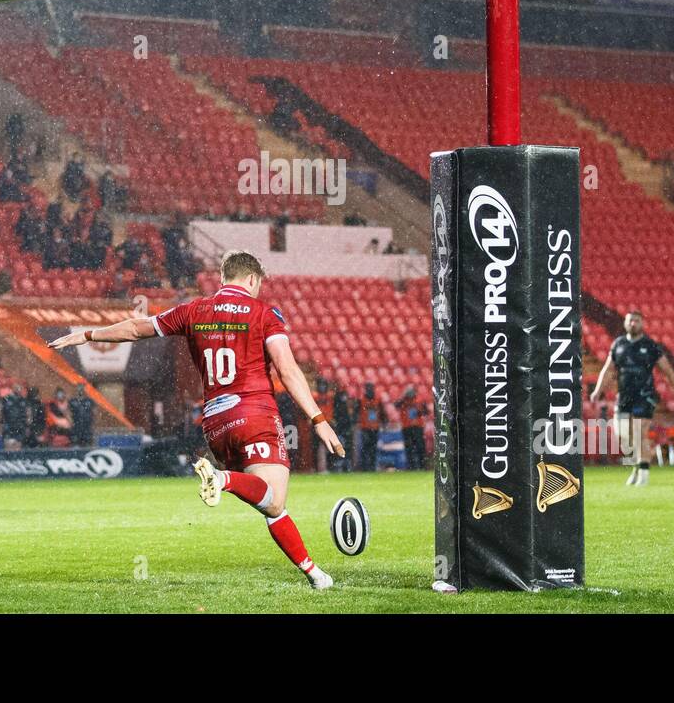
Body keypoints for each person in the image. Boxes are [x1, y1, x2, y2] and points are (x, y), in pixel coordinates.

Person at [50, 250, 344, 589]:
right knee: (274, 498)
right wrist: (318, 418)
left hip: (215, 423)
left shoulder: (193, 310)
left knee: (272, 507)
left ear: (222, 279)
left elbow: (135, 329)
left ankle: (315, 575)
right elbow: (287, 368)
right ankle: (223, 480)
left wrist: (87, 335)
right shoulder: (264, 313)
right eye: (259, 283)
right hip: (253, 412)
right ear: (251, 279)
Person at [589, 311, 674, 486]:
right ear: (625, 324)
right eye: (630, 321)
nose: (633, 324)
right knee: (623, 436)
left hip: (644, 396)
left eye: (636, 321)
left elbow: (668, 372)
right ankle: (637, 465)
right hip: (624, 397)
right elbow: (608, 369)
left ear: (642, 323)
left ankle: (644, 474)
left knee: (639, 432)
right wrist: (598, 390)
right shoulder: (618, 345)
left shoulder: (650, 346)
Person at [396, 385, 427, 469]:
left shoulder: (419, 400)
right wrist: (403, 396)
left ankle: (422, 466)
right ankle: (411, 466)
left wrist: (420, 412)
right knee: (409, 448)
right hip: (407, 427)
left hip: (417, 427)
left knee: (420, 447)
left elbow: (426, 412)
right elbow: (396, 405)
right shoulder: (403, 401)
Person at [357, 382, 381, 471]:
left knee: (373, 449)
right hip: (365, 428)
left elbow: (382, 413)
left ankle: (372, 467)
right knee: (365, 448)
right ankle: (364, 467)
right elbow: (357, 412)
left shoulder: (378, 400)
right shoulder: (361, 400)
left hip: (374, 428)